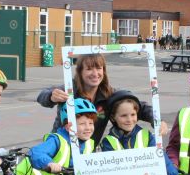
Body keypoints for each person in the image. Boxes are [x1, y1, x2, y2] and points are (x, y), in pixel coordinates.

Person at [37, 53, 166, 144]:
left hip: (88, 151)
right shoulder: (70, 90)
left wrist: (157, 120)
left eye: (99, 68)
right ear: (80, 72)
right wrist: (51, 96)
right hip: (61, 148)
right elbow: (42, 95)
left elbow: (139, 107)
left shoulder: (109, 94)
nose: (95, 74)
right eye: (89, 69)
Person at [14, 97, 96, 175]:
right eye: (82, 124)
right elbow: (36, 152)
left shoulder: (88, 144)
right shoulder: (58, 140)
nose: (88, 127)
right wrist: (49, 163)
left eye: (91, 123)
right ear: (68, 127)